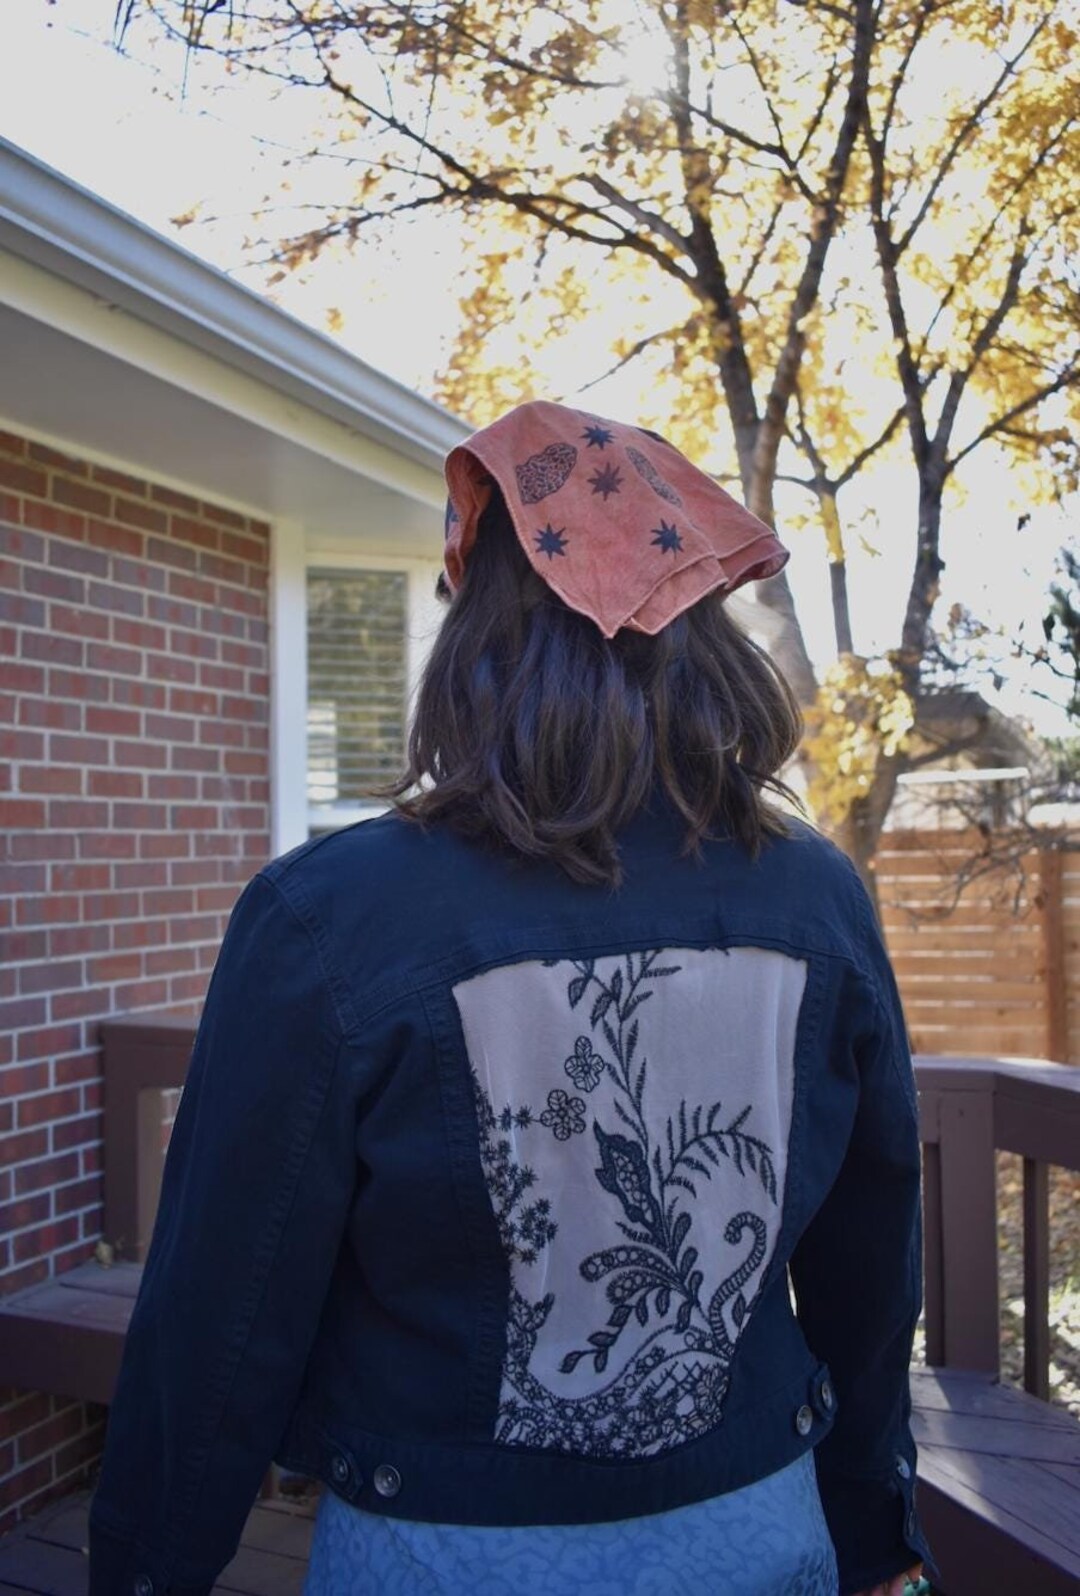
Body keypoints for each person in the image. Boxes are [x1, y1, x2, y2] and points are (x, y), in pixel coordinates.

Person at [89, 401, 932, 1596]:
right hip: (763, 1525)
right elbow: (871, 1261)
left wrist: (144, 1571)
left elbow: (222, 1315)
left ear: (474, 626)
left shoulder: (332, 915)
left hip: (445, 1551)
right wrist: (874, 1525)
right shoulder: (817, 902)